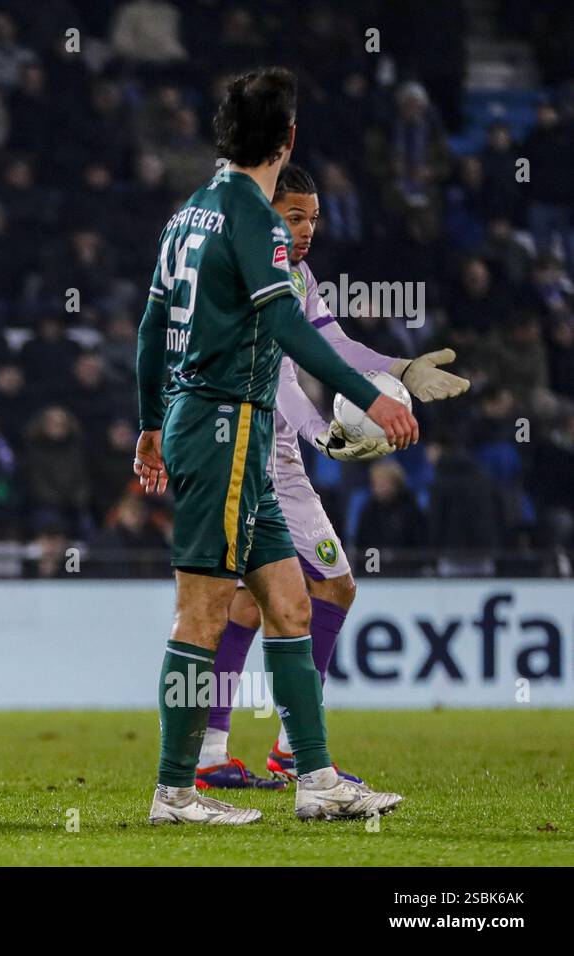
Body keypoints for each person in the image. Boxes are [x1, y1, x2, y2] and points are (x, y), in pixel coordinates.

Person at [134, 68, 416, 824]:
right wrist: (371, 397)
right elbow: (288, 327)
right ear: (287, 138)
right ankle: (174, 789)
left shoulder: (187, 215)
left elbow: (151, 328)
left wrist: (149, 421)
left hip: (234, 434)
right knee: (202, 614)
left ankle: (316, 780)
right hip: (226, 427)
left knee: (290, 606)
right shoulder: (253, 220)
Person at [197, 164, 470, 791]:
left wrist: (401, 365)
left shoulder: (295, 272)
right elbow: (277, 378)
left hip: (267, 450)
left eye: (314, 217)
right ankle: (291, 750)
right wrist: (324, 433)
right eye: (295, 216)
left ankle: (214, 751)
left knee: (243, 599)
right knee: (334, 587)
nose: (307, 229)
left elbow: (330, 344)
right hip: (259, 451)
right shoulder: (247, 272)